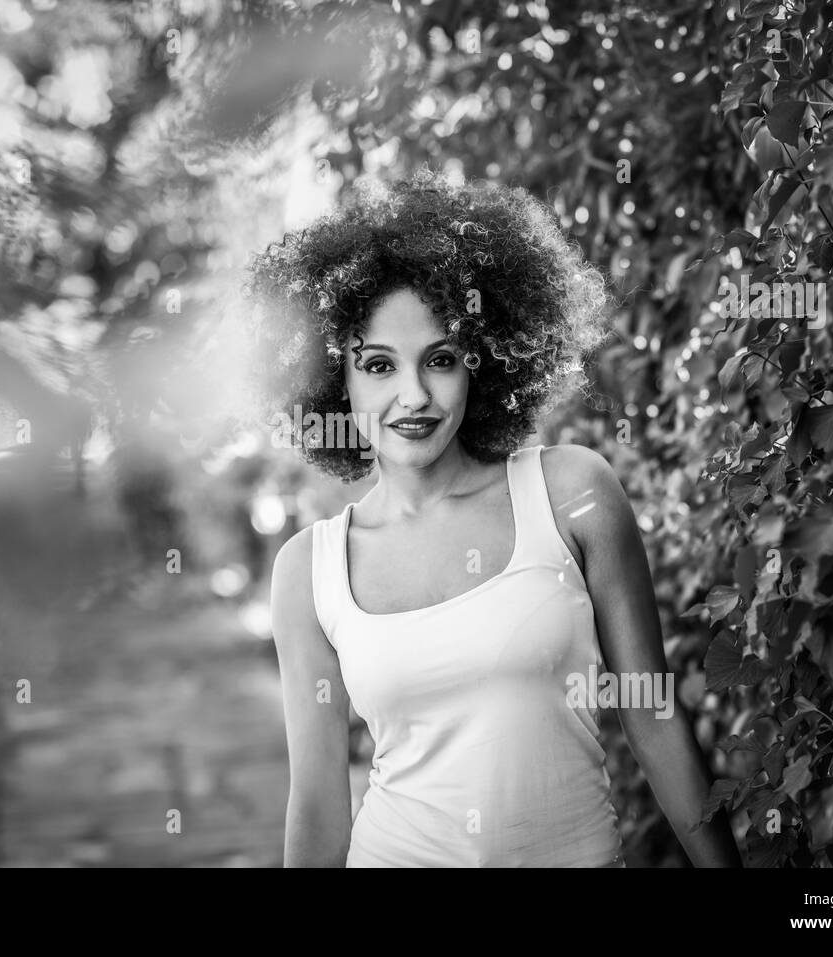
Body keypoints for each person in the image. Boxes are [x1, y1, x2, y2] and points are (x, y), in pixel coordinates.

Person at [245, 169, 743, 868]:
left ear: (480, 364)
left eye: (440, 359)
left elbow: (655, 719)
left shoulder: (572, 493)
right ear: (336, 378)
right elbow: (319, 805)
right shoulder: (309, 569)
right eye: (379, 365)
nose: (412, 395)